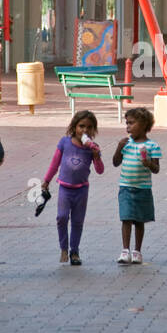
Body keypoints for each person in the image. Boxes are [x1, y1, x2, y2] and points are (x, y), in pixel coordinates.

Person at [41, 110, 105, 266]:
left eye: (89, 127)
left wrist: (96, 156)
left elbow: (100, 170)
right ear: (74, 127)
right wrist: (46, 180)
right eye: (81, 126)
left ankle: (74, 251)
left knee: (77, 221)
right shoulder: (65, 142)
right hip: (65, 188)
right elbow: (55, 163)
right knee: (62, 217)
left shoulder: (92, 148)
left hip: (82, 189)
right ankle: (64, 247)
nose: (85, 130)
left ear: (93, 130)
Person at [112, 106, 161, 264]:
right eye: (127, 123)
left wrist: (148, 163)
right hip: (125, 186)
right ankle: (125, 250)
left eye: (131, 123)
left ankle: (137, 251)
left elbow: (156, 169)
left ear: (144, 125)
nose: (128, 127)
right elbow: (115, 162)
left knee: (139, 220)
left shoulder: (152, 146)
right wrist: (119, 148)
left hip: (143, 189)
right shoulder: (126, 143)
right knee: (126, 218)